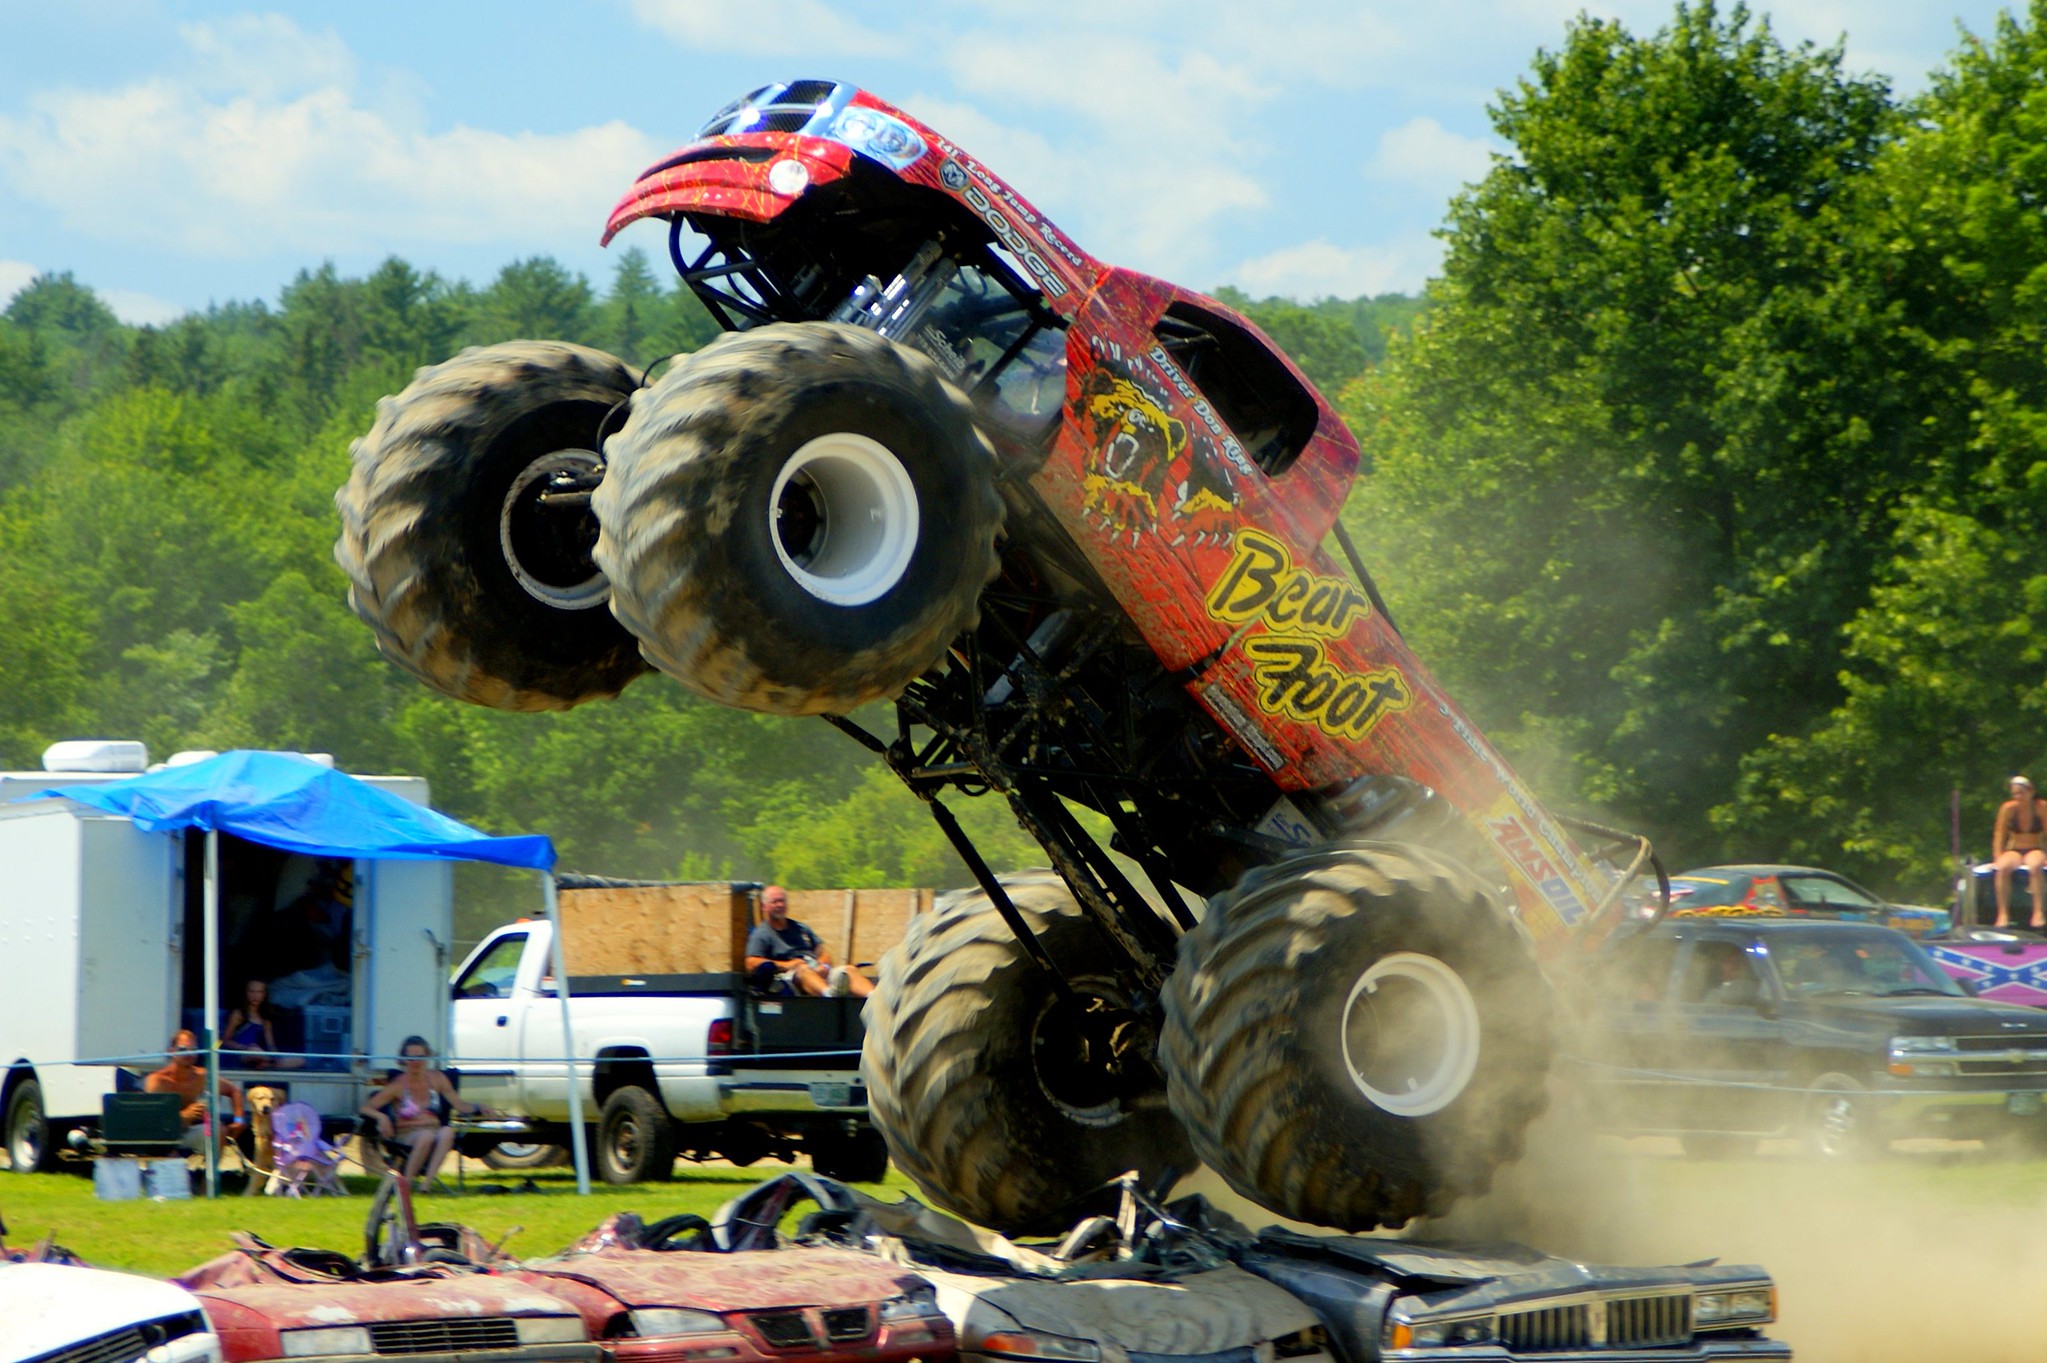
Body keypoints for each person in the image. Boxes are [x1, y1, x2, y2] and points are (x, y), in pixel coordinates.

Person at [359, 1036, 493, 1187]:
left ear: (427, 1056)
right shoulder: (398, 1085)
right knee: (426, 1136)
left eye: (420, 1057)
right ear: (403, 1059)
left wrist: (478, 1106)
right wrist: (381, 1117)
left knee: (448, 1131)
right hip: (407, 1133)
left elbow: (459, 1105)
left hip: (434, 1129)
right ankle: (406, 1184)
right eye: (411, 1058)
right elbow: (365, 1107)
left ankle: (426, 1183)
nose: (416, 1062)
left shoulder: (437, 1078)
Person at [744, 885, 873, 999]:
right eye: (775, 902)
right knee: (803, 970)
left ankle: (875, 998)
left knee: (848, 970)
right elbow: (751, 963)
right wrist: (788, 965)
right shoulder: (762, 933)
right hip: (790, 978)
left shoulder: (800, 928)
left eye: (782, 901)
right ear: (764, 907)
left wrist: (824, 966)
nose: (780, 905)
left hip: (816, 970)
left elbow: (822, 953)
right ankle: (830, 995)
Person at [143, 1030, 246, 1152]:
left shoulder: (203, 1076)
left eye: (193, 1050)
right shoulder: (157, 1081)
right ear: (171, 1051)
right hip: (165, 1136)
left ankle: (209, 1170)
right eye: (183, 1049)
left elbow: (234, 1091)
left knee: (217, 1129)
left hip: (193, 1132)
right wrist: (183, 1116)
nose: (189, 1054)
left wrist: (239, 1120)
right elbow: (151, 1120)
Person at [1992, 775, 2047, 929]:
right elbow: (1999, 833)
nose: (2018, 797)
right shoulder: (2008, 808)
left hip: (2035, 847)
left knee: (2035, 866)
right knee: (2002, 868)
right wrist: (1997, 856)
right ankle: (2002, 913)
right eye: (2015, 793)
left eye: (2021, 793)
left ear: (2031, 792)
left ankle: (2038, 912)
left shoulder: (2042, 807)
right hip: (2014, 849)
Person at [221, 979, 303, 1070]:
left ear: (264, 995)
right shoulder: (238, 1014)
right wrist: (244, 1047)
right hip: (241, 1053)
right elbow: (225, 1040)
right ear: (246, 993)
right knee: (254, 1052)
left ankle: (268, 1063)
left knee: (299, 1060)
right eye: (252, 992)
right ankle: (265, 1062)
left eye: (259, 992)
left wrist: (276, 1055)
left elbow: (270, 1044)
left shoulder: (265, 1017)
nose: (255, 996)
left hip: (261, 1053)